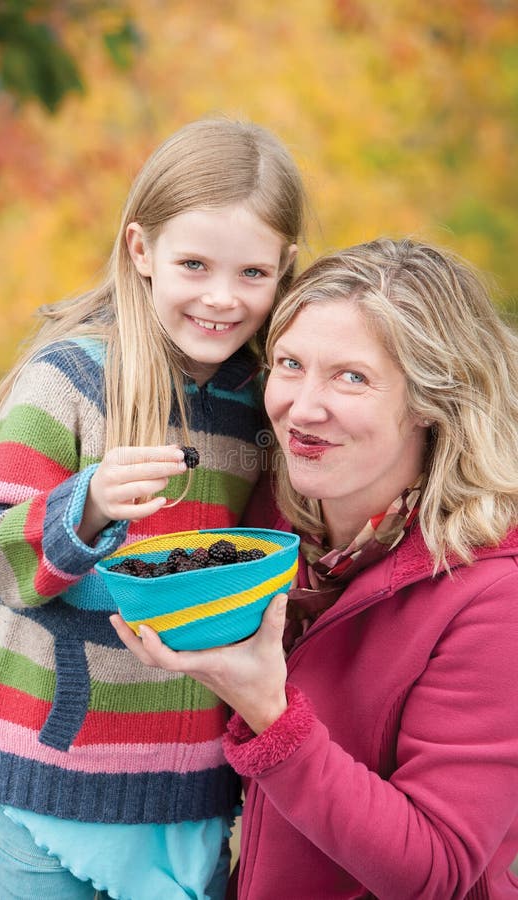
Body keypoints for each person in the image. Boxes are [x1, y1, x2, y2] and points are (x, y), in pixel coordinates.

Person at [0, 116, 305, 900]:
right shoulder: (69, 382)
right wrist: (88, 505)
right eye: (195, 264)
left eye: (251, 273)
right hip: (47, 778)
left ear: (285, 272)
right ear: (141, 251)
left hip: (186, 796)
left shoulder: (263, 410)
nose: (220, 297)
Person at [112, 237, 518, 899]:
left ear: (430, 400)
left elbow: (435, 870)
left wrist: (270, 715)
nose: (302, 407)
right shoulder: (271, 525)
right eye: (290, 364)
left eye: (351, 377)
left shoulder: (494, 598)